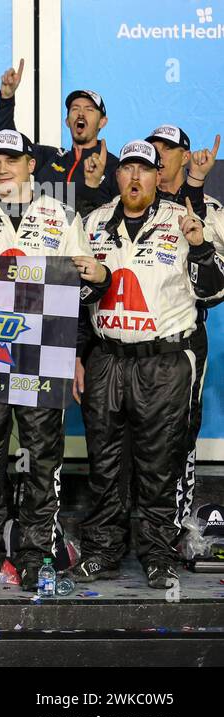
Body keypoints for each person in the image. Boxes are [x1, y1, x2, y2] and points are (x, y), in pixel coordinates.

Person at [0, 129, 107, 589]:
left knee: (41, 458)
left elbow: (84, 290)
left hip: (43, 355)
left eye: (11, 161)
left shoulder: (61, 214)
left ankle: (37, 554)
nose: (2, 169)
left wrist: (78, 347)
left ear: (30, 166)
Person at [74, 140, 224, 589]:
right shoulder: (92, 223)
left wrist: (198, 246)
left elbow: (215, 291)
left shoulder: (183, 220)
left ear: (158, 177)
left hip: (163, 361)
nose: (135, 178)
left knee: (160, 466)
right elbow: (76, 300)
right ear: (117, 177)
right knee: (105, 465)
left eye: (145, 170)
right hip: (107, 359)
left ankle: (158, 554)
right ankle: (103, 551)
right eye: (127, 170)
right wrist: (82, 354)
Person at [146, 125, 223, 529]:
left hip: (185, 335)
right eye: (153, 147)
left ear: (186, 155)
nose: (158, 155)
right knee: (132, 434)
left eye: (167, 148)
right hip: (135, 337)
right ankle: (133, 526)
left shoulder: (209, 208)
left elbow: (216, 285)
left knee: (179, 429)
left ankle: (174, 526)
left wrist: (194, 187)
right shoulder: (134, 202)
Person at [0, 59, 117, 204]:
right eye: (75, 108)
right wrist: (6, 99)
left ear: (103, 122)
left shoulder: (114, 166)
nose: (81, 113)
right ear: (67, 121)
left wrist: (92, 185)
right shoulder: (50, 157)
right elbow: (9, 142)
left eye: (89, 109)